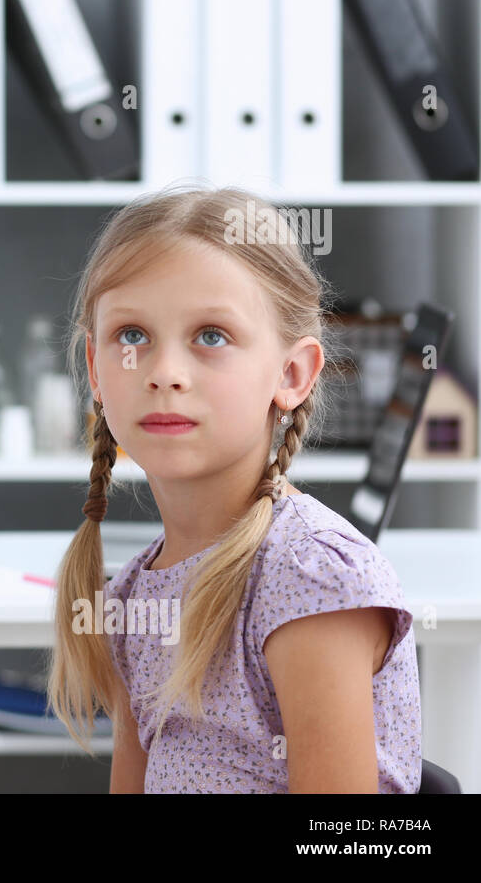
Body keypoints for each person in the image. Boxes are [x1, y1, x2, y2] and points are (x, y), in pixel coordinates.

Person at [46, 184, 421, 793]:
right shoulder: (134, 593)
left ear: (291, 374)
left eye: (211, 336)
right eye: (132, 336)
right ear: (95, 369)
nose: (165, 374)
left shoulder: (310, 577)